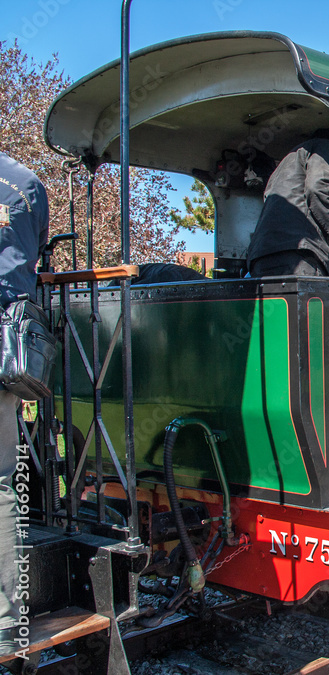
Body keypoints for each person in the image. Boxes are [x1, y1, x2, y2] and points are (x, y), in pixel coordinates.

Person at [0, 151, 49, 654]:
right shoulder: (25, 183)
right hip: (5, 345)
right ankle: (7, 618)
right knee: (1, 481)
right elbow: (31, 257)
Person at [246, 135, 329, 277]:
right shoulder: (328, 146)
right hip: (300, 253)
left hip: (260, 256)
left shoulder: (286, 163)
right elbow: (318, 189)